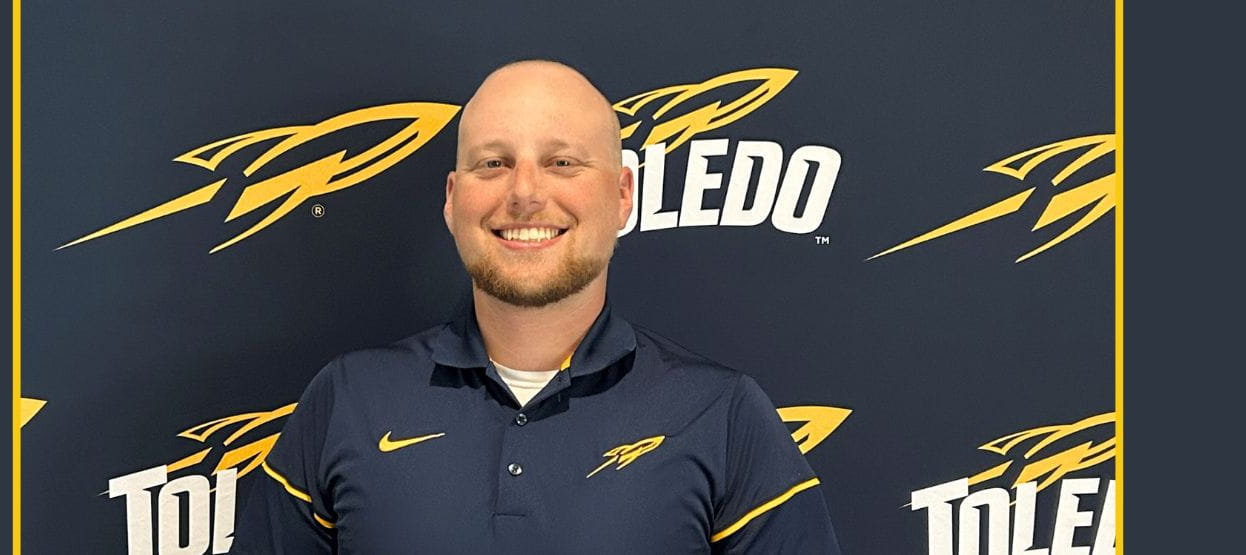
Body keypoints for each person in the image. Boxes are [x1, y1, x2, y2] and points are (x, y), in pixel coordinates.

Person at [236, 60, 840, 554]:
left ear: (623, 195)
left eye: (562, 162)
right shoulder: (346, 399)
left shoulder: (723, 413)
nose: (525, 192)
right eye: (493, 163)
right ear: (453, 199)